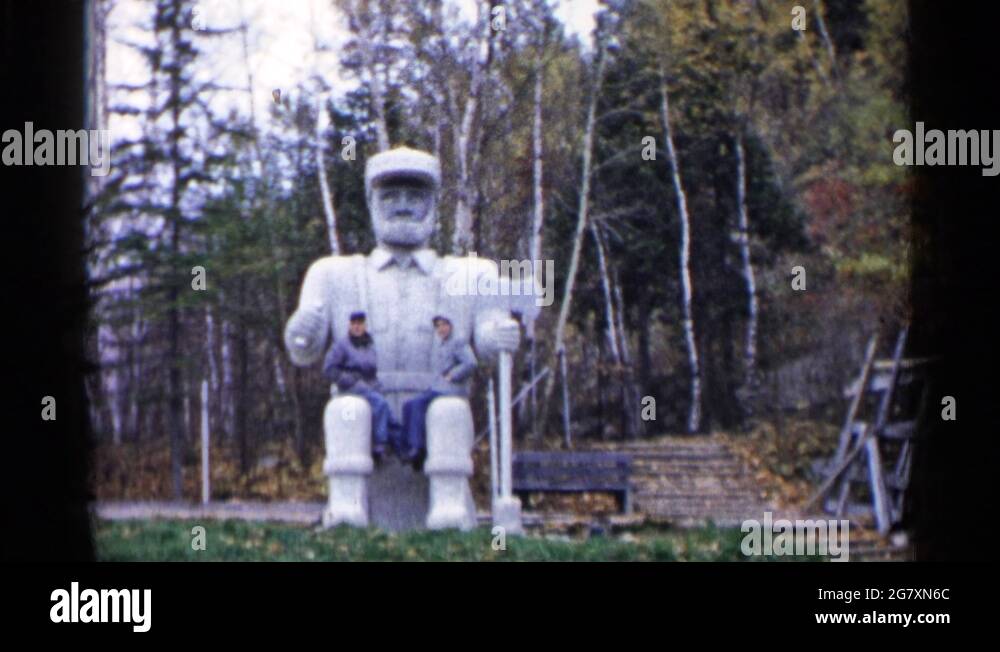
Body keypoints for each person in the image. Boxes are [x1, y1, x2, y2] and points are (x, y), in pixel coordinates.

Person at [398, 315, 478, 470]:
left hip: (452, 389)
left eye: (444, 325)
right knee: (408, 405)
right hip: (440, 387)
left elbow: (471, 363)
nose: (441, 329)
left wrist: (452, 375)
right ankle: (406, 447)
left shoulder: (458, 342)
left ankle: (417, 448)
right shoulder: (443, 344)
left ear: (451, 326)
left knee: (418, 404)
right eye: (438, 326)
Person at [323, 312, 395, 464]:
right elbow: (329, 369)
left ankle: (398, 443)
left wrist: (377, 385)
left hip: (369, 384)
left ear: (365, 325)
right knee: (380, 404)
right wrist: (347, 379)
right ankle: (379, 445)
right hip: (351, 386)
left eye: (360, 323)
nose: (357, 327)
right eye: (354, 323)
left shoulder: (369, 344)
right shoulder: (342, 345)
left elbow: (371, 370)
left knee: (387, 408)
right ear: (349, 325)